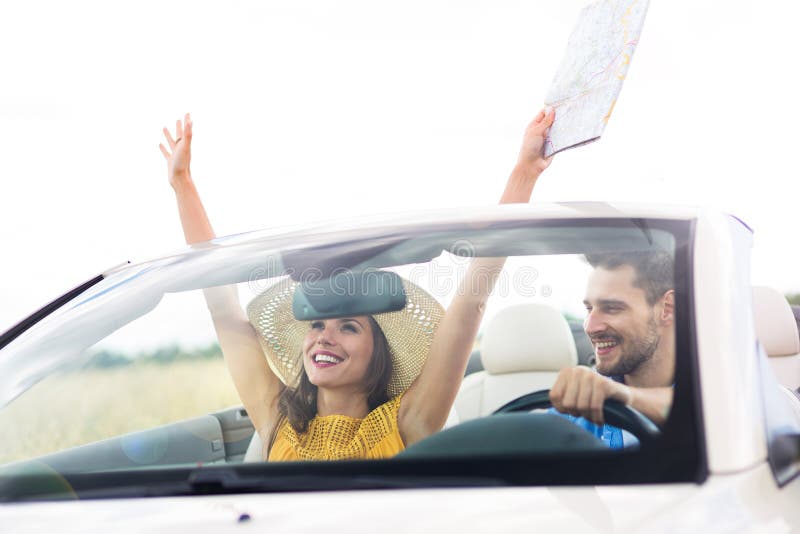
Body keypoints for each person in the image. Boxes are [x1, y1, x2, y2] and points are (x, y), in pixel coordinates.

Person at [158, 109, 556, 460]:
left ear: (379, 349)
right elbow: (221, 304)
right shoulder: (277, 420)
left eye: (348, 327)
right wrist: (183, 186)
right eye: (316, 326)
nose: (323, 338)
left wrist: (524, 173)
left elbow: (470, 304)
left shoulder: (408, 422)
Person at [548, 250, 676, 448]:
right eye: (589, 309)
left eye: (611, 308)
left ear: (666, 309)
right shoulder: (571, 416)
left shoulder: (720, 395)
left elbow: (698, 409)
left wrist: (624, 396)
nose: (590, 327)